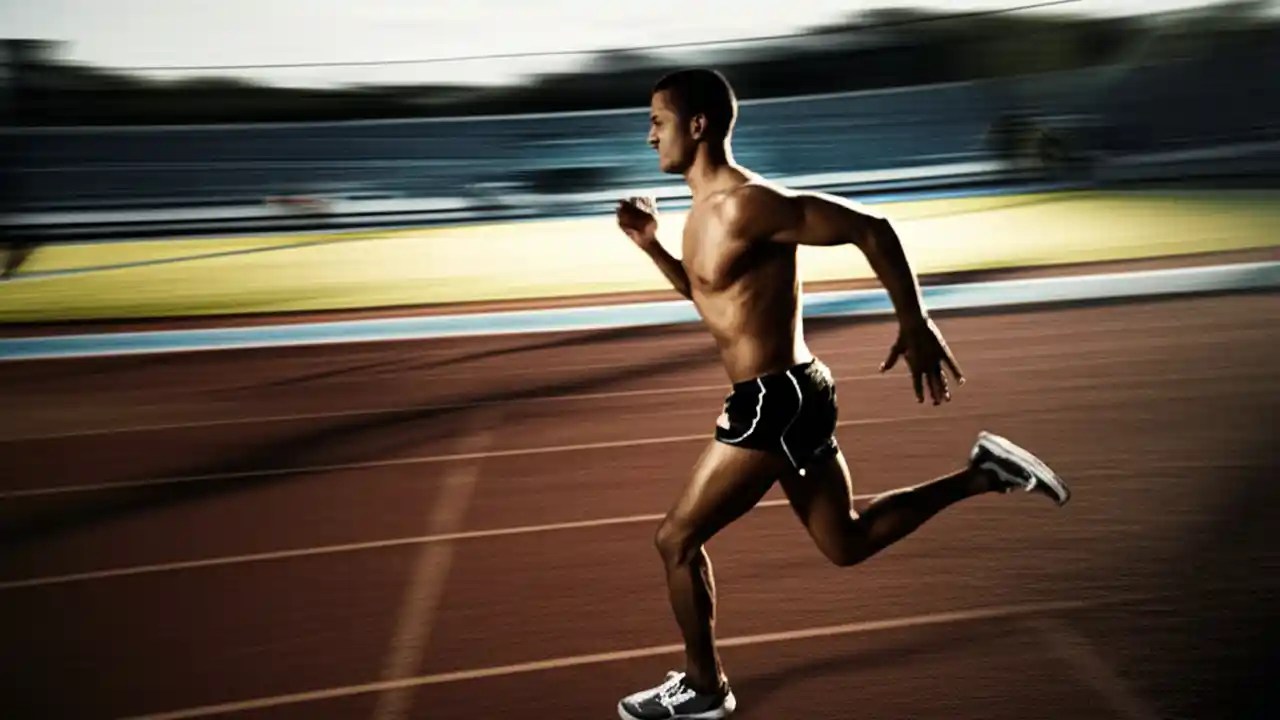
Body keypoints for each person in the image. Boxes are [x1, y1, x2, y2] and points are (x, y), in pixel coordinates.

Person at [613, 69, 1070, 720]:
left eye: (656, 121)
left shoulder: (746, 203)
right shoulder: (698, 213)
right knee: (845, 542)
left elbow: (872, 227)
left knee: (675, 541)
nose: (647, 134)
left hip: (774, 400)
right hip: (793, 395)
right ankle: (984, 475)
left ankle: (704, 687)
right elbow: (709, 295)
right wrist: (651, 246)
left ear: (697, 125)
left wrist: (914, 321)